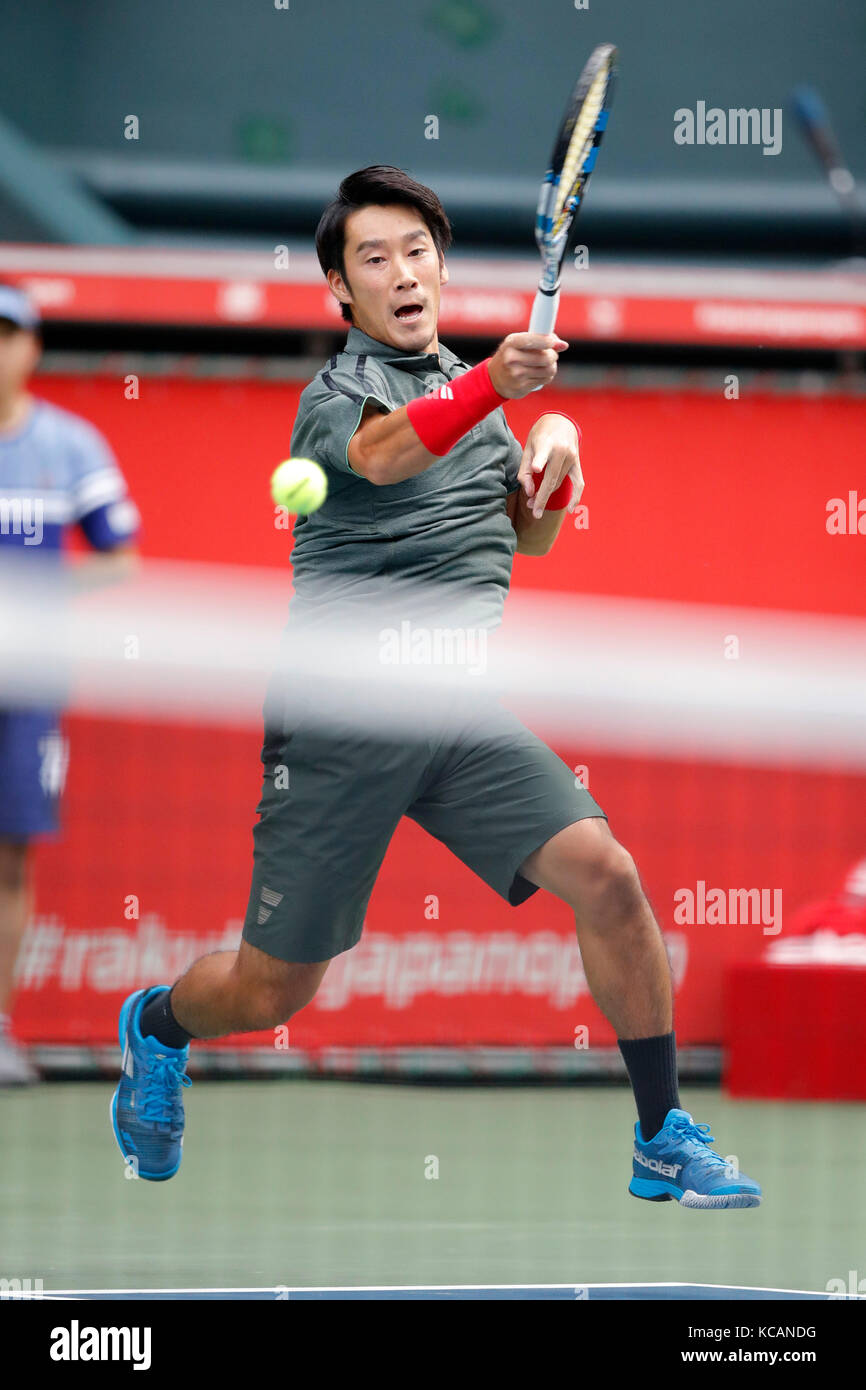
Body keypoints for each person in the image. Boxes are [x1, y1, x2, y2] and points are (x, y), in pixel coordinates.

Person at [112, 167, 760, 1208]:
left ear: (440, 266)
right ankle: (157, 1023)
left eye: (417, 251)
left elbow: (527, 533)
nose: (402, 273)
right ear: (339, 288)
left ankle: (656, 1133)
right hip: (342, 719)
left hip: (453, 713)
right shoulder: (337, 400)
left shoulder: (476, 395)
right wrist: (499, 392)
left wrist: (556, 453)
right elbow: (383, 455)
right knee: (272, 988)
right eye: (374, 258)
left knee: (610, 876)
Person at [0, 283, 140, 1085]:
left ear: (32, 348)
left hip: (29, 681)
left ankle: (1, 1028)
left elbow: (120, 558)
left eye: (8, 334)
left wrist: (36, 597)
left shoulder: (70, 445)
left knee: (11, 858)